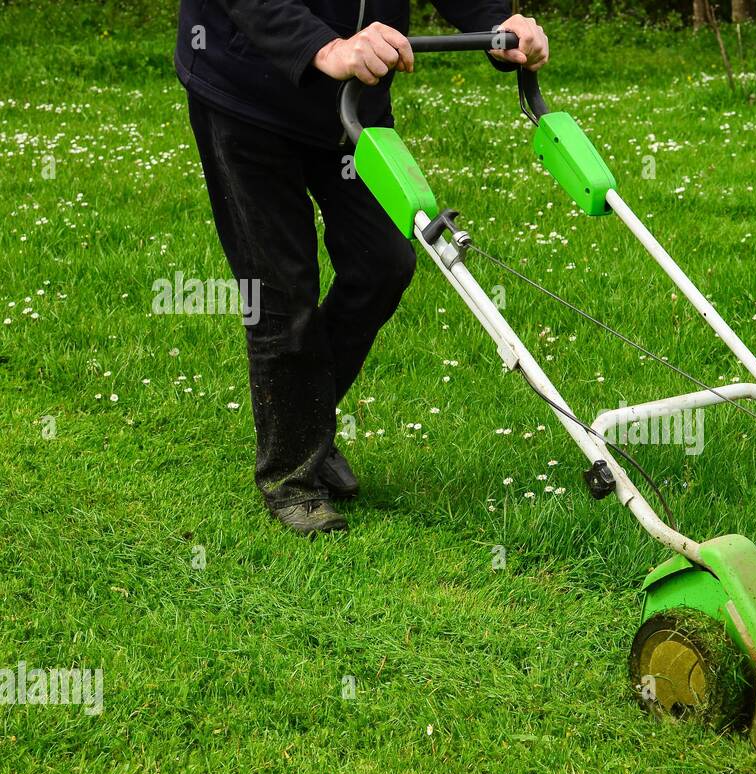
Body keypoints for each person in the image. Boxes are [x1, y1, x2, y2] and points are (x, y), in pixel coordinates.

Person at [175, 1, 548, 534]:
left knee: (384, 265)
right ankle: (292, 476)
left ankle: (305, 425)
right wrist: (322, 46)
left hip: (353, 103)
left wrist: (495, 21)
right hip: (247, 94)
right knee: (283, 292)